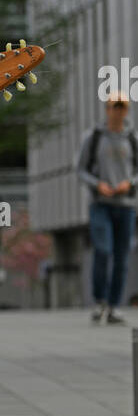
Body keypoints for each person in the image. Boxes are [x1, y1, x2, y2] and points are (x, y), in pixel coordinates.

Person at [76, 90, 138, 324]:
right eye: (114, 106)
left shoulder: (132, 139)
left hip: (126, 205)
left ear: (127, 110)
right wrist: (97, 184)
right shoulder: (93, 138)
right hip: (100, 204)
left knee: (122, 257)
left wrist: (129, 183)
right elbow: (80, 169)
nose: (118, 111)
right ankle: (100, 301)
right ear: (107, 109)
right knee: (103, 250)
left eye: (122, 107)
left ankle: (113, 306)